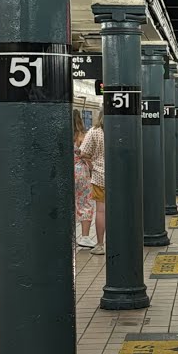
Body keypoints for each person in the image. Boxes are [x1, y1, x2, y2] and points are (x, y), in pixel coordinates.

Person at [79, 109, 106, 255]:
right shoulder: (122, 128)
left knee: (101, 211)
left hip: (100, 176)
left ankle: (100, 244)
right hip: (121, 177)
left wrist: (92, 164)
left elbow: (83, 152)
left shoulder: (94, 132)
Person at [73, 108, 95, 248]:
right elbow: (87, 156)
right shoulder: (82, 136)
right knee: (85, 203)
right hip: (81, 172)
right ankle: (85, 237)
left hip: (65, 172)